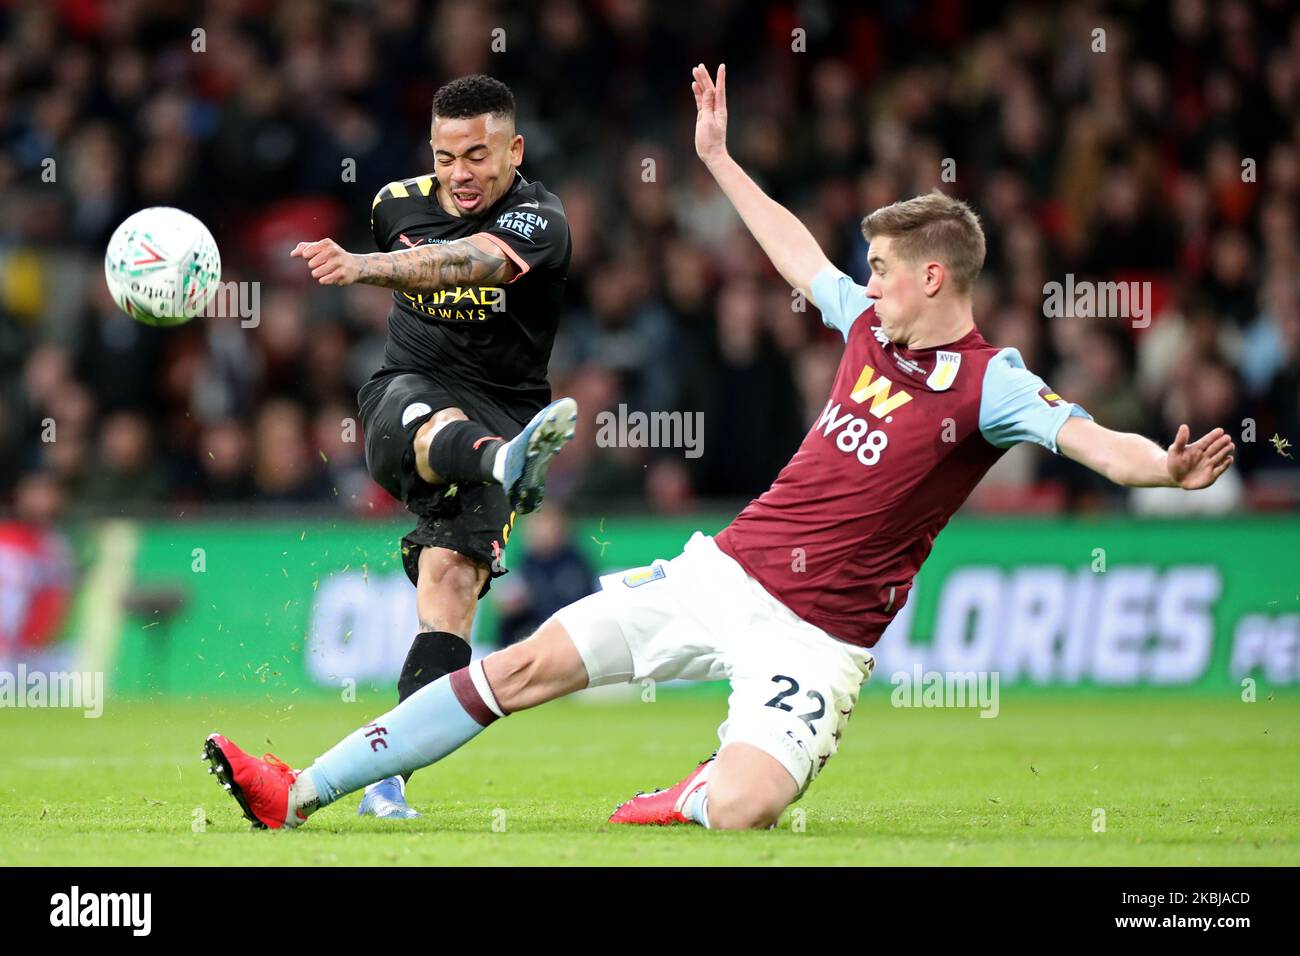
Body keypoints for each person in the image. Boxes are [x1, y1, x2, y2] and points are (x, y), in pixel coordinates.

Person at [205, 65, 1236, 831]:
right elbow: (791, 247)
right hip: (722, 573)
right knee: (515, 667)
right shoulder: (869, 326)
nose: (862, 280)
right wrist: (716, 159)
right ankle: (294, 789)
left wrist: (1168, 468)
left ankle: (698, 787)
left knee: (743, 808)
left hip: (818, 641)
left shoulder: (991, 382)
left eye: (880, 267)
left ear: (934, 276)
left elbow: (1096, 442)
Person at [288, 74, 577, 817]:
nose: (461, 174)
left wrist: (362, 268)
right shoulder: (394, 205)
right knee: (420, 414)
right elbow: (424, 255)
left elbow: (469, 262)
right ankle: (503, 465)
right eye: (447, 157)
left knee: (449, 589)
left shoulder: (542, 220)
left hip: (505, 406)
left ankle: (386, 781)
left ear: (514, 149)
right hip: (407, 387)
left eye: (478, 155)